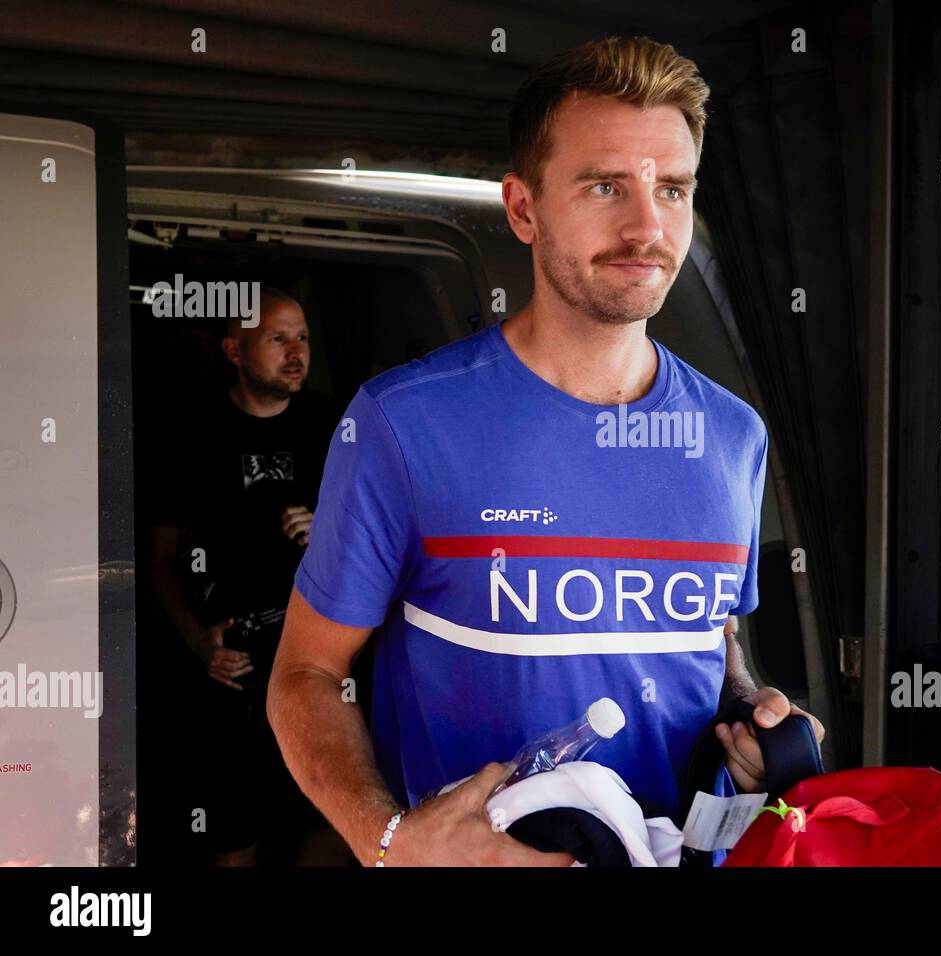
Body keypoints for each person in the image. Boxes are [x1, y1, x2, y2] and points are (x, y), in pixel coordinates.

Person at [267, 36, 825, 867]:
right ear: (523, 209)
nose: (647, 226)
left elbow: (714, 639)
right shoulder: (404, 422)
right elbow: (304, 676)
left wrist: (753, 718)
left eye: (671, 188)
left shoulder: (733, 434)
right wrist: (388, 842)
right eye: (606, 186)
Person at [148, 287, 350, 866]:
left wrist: (330, 529)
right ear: (235, 350)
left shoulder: (334, 424)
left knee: (331, 812)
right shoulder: (190, 432)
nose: (296, 353)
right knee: (231, 830)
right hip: (229, 670)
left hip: (319, 659)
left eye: (304, 338)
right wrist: (193, 636)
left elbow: (389, 537)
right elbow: (159, 555)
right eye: (277, 338)